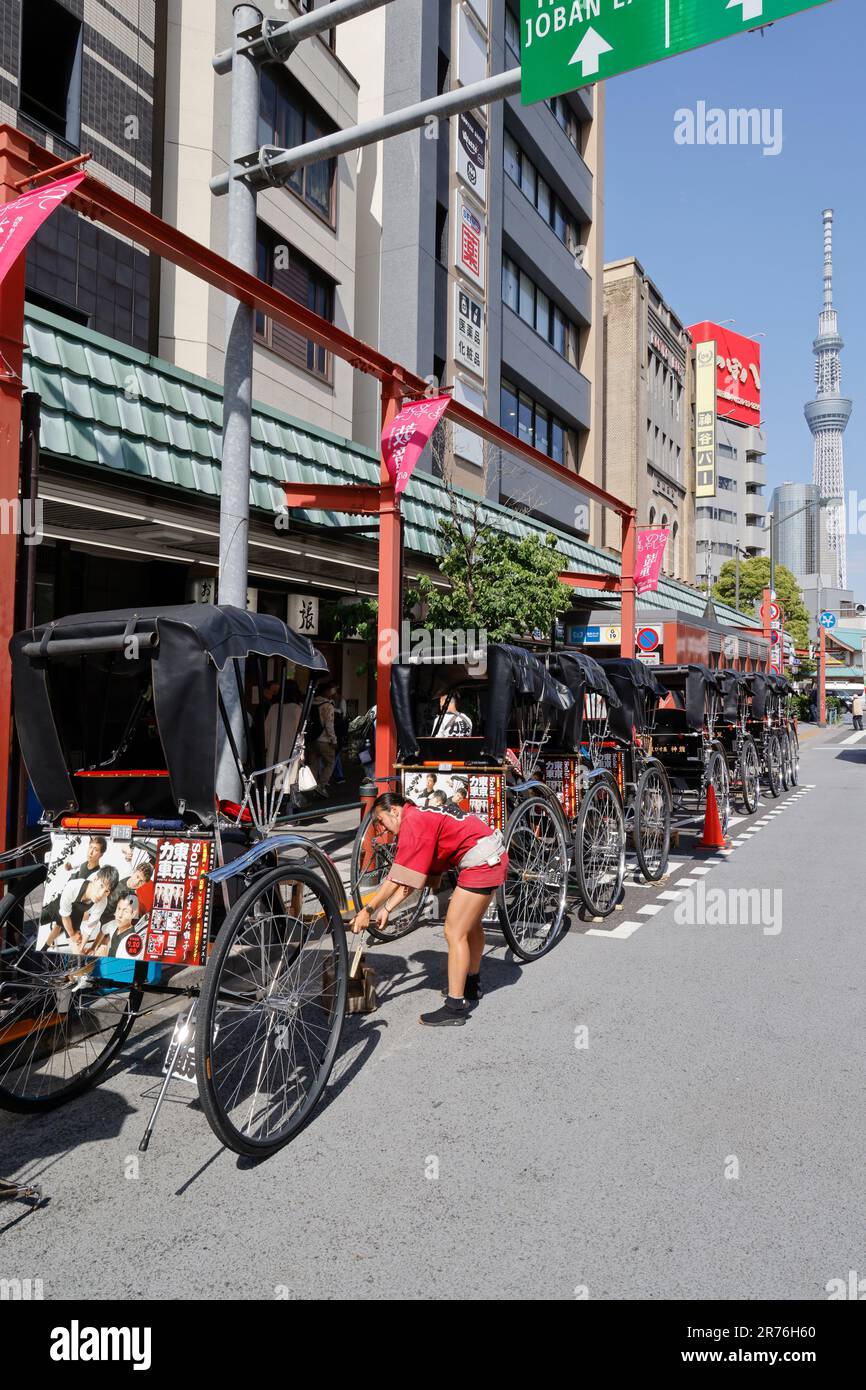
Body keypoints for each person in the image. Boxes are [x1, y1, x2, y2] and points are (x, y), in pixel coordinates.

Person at [351, 792, 508, 1027]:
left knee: (454, 932)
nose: (383, 829)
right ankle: (471, 986)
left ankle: (455, 1007)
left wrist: (368, 910)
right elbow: (412, 878)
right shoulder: (421, 815)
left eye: (381, 821)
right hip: (490, 854)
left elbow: (395, 877)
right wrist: (388, 909)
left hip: (482, 863)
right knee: (471, 925)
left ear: (394, 810)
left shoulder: (412, 823)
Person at [41, 865, 119, 954]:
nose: (101, 894)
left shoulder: (102, 902)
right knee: (44, 920)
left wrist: (81, 947)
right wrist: (72, 935)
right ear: (95, 879)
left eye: (107, 891)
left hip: (76, 914)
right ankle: (44, 947)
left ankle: (44, 949)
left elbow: (90, 927)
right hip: (59, 906)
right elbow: (64, 915)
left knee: (77, 950)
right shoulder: (73, 886)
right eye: (101, 886)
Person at [307, 681, 339, 798]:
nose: (333, 691)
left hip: (311, 738)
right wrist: (334, 740)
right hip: (324, 739)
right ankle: (322, 785)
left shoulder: (311, 702)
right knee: (330, 763)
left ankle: (313, 787)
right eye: (332, 689)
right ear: (326, 691)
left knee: (313, 764)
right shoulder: (328, 705)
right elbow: (329, 724)